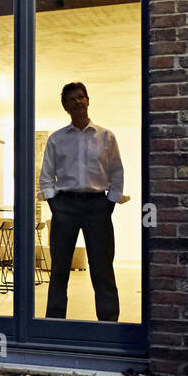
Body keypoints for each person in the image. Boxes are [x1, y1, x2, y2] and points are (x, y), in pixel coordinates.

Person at [39, 82, 128, 321]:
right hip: (64, 207)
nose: (77, 102)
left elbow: (117, 172)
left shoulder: (106, 137)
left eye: (81, 97)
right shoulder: (56, 139)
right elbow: (46, 176)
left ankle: (108, 324)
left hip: (98, 208)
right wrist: (54, 204)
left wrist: (109, 202)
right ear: (65, 107)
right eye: (72, 99)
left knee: (102, 269)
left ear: (88, 100)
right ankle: (54, 324)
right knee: (59, 270)